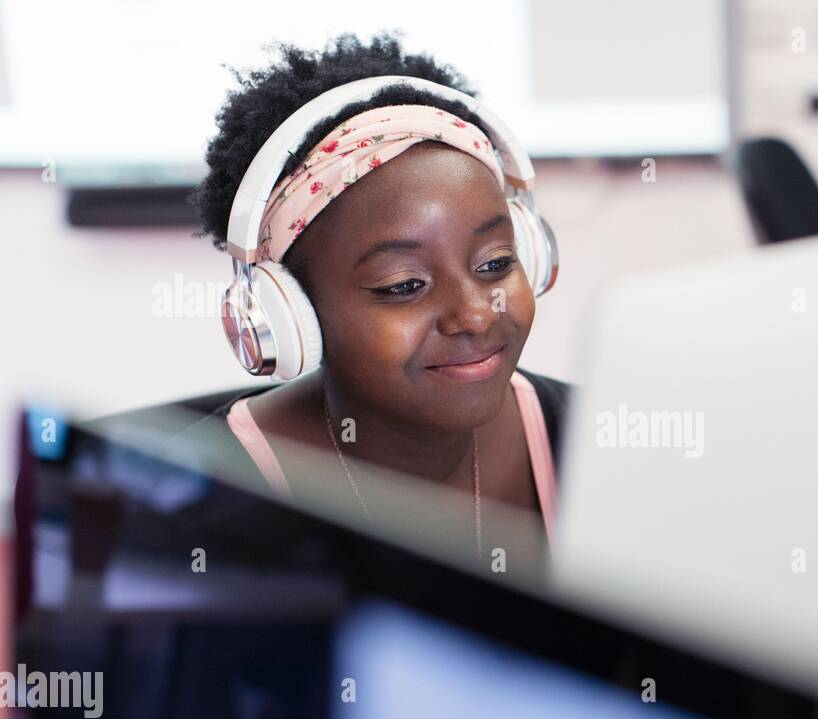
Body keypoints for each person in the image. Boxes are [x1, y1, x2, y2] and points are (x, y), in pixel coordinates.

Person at [187, 33, 567, 569]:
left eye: (495, 263)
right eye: (403, 286)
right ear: (292, 311)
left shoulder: (587, 443)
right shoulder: (203, 514)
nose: (476, 314)